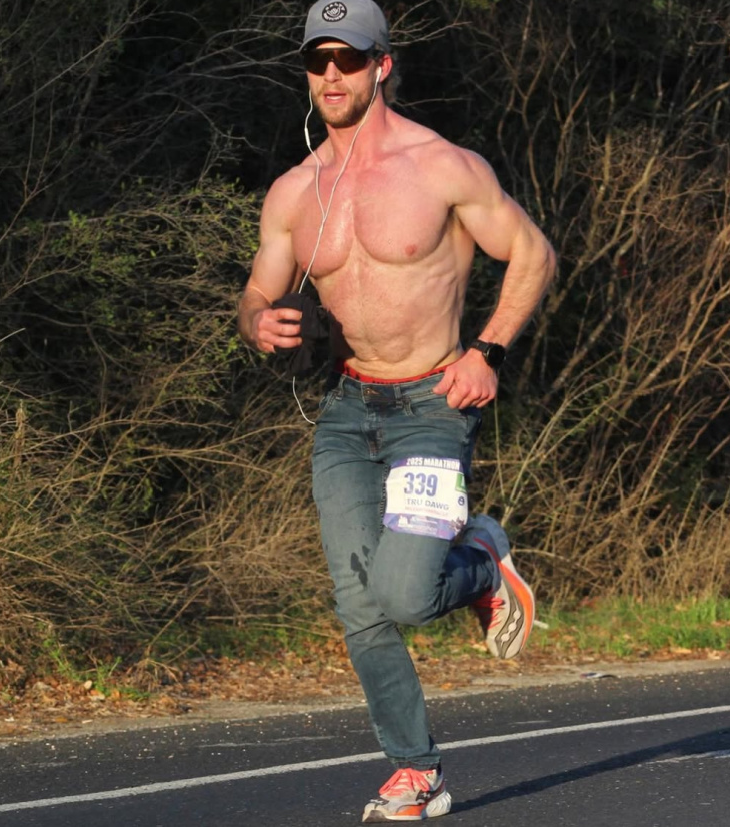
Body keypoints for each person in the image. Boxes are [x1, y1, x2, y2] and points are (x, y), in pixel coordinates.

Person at [238, 0, 556, 820]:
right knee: (358, 603)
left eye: (349, 58)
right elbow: (256, 292)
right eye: (318, 61)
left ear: (384, 64)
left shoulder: (441, 165)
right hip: (347, 410)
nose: (332, 75)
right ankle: (416, 771)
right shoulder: (293, 191)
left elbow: (532, 252)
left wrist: (490, 350)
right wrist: (258, 320)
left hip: (431, 406)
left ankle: (485, 560)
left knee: (408, 595)